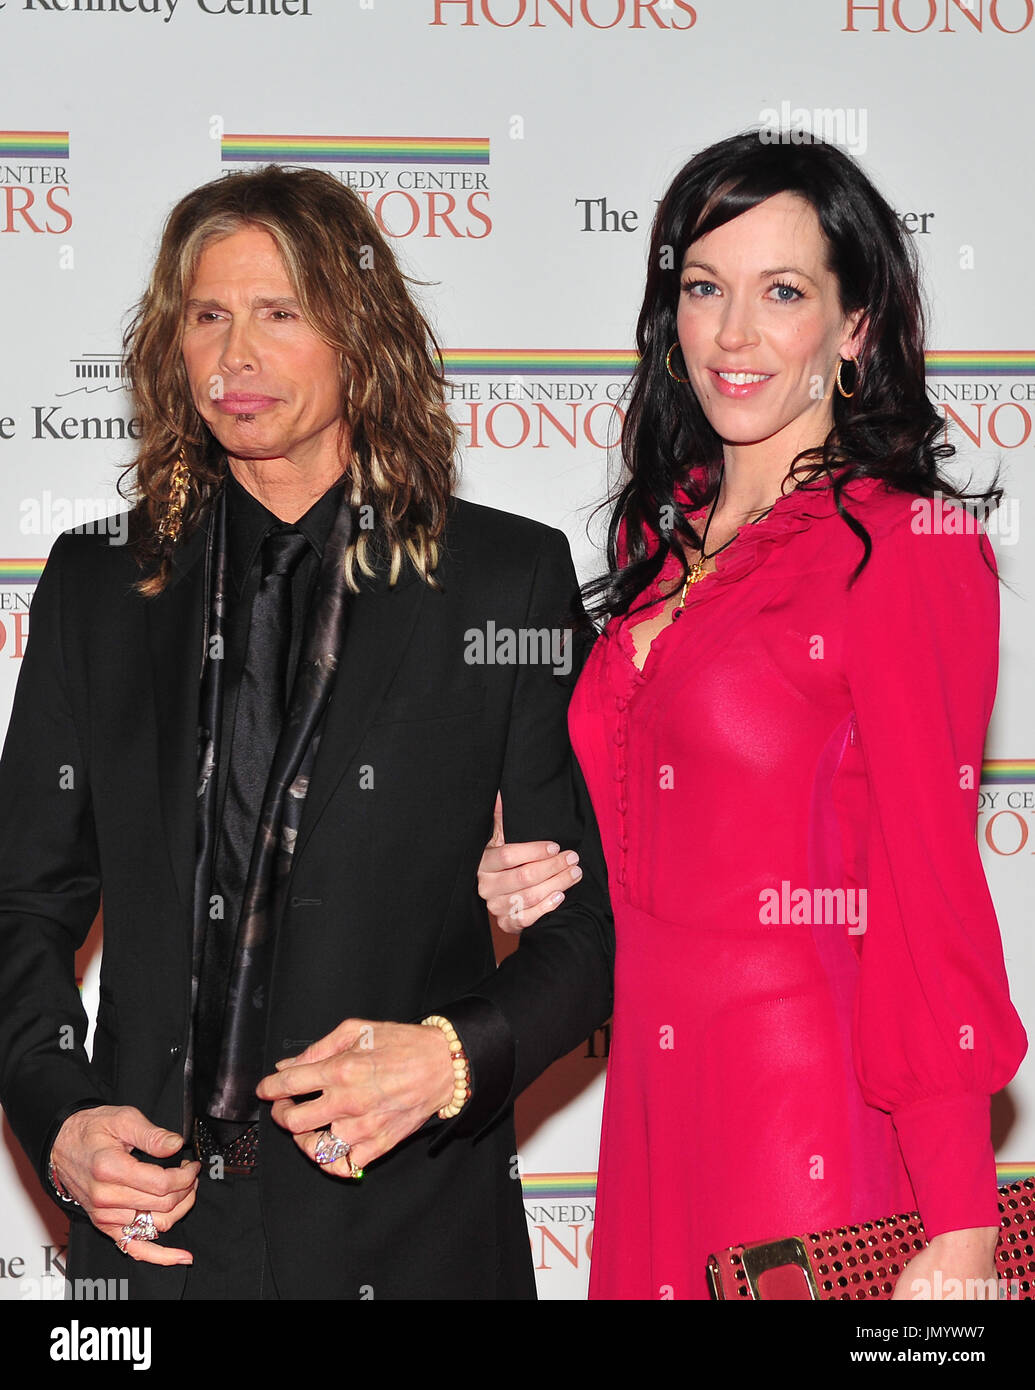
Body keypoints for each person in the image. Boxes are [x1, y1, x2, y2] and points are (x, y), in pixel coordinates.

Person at [0, 165, 613, 1300]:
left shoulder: (501, 580)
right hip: (154, 1241)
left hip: (411, 1227)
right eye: (207, 316)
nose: (235, 357)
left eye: (281, 313)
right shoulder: (97, 584)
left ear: (359, 336)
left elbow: (588, 929)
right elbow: (23, 902)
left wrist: (446, 1056)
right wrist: (62, 1115)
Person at [477, 130, 1028, 1300]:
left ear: (855, 326)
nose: (733, 334)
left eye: (782, 293)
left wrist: (962, 1218)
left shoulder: (903, 549)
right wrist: (542, 872)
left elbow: (927, 884)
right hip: (655, 1107)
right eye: (704, 289)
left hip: (810, 1115)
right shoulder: (658, 546)